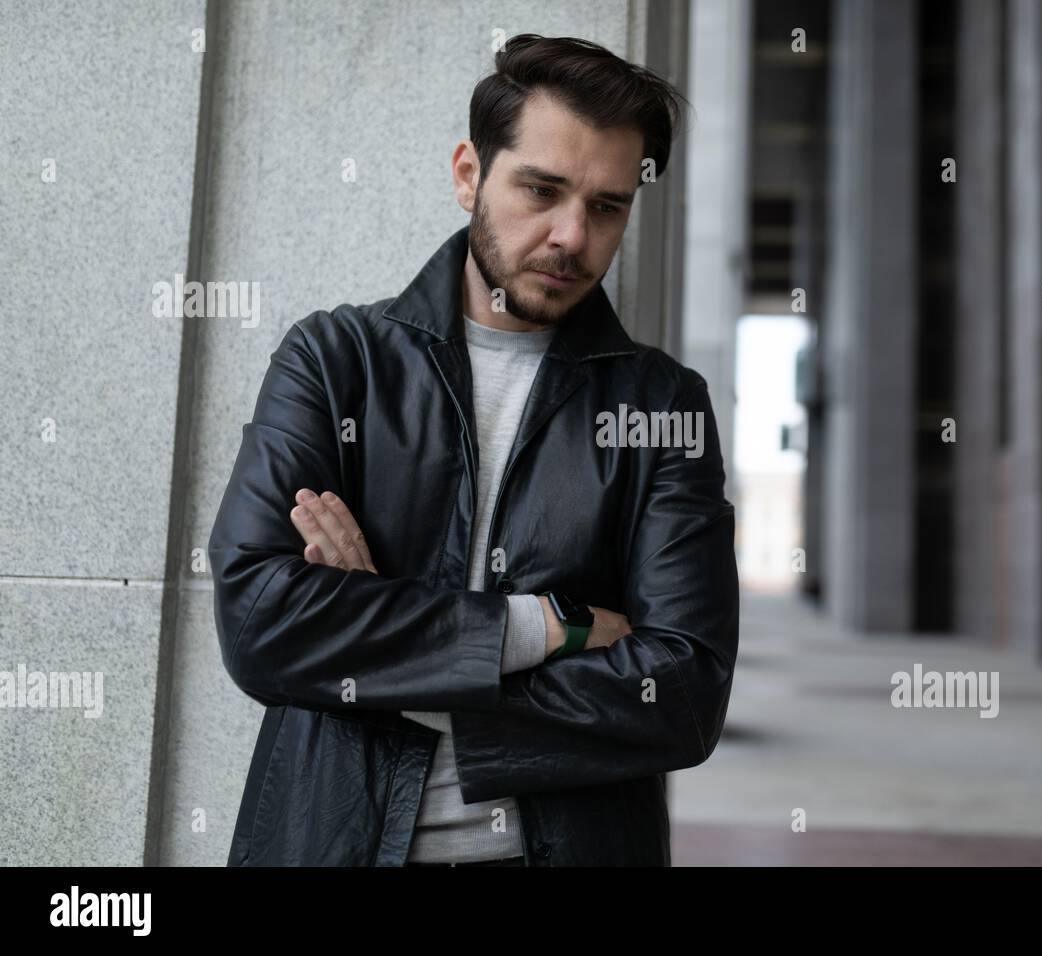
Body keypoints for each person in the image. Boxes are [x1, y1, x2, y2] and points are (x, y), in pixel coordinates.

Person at [209, 33, 739, 867]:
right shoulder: (334, 361)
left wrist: (375, 632)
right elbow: (260, 621)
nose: (572, 236)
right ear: (468, 174)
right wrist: (549, 628)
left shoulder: (663, 405)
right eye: (542, 189)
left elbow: (683, 693)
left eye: (607, 207)